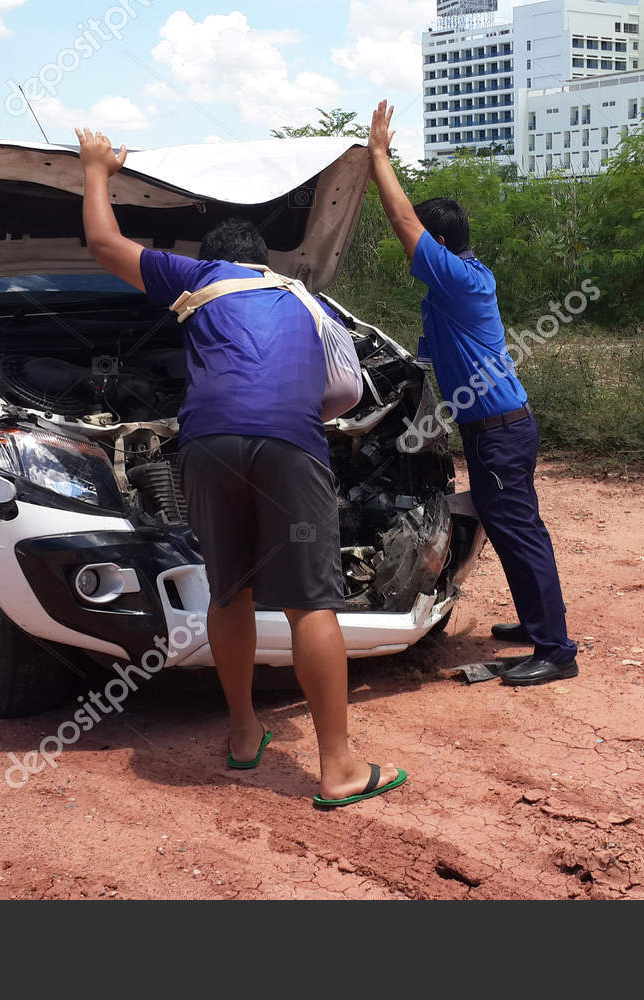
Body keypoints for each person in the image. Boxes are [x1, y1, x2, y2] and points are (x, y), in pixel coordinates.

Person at [74, 127, 405, 808]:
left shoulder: (195, 278)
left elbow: (105, 246)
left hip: (207, 441)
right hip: (290, 440)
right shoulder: (305, 300)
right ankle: (338, 768)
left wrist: (96, 168)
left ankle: (245, 733)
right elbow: (344, 394)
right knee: (311, 602)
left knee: (231, 592)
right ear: (264, 262)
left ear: (210, 260)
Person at [365, 102, 579, 687]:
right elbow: (422, 360)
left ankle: (556, 650)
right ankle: (540, 624)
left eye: (420, 244)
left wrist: (380, 158)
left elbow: (405, 224)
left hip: (500, 431)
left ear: (438, 242)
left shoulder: (458, 279)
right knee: (511, 526)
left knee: (519, 528)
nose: (410, 252)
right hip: (496, 429)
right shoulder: (447, 294)